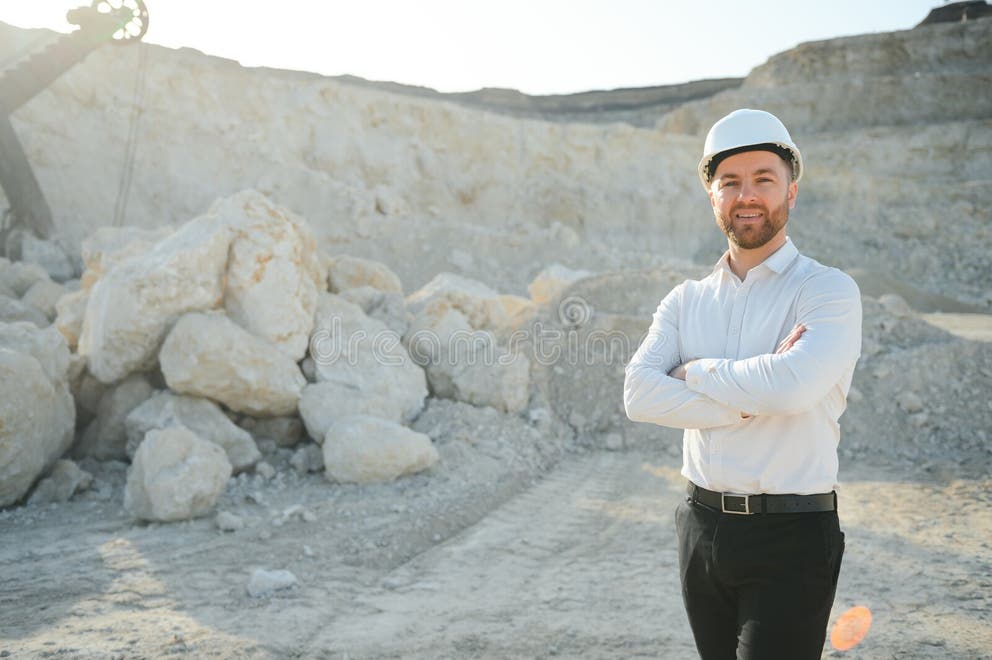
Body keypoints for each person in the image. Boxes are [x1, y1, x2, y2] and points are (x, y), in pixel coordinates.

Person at [623, 108, 862, 659]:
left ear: (791, 193)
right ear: (713, 197)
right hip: (700, 528)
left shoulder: (827, 291)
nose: (746, 195)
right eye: (730, 182)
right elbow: (638, 394)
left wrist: (695, 373)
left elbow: (793, 387)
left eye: (763, 179)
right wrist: (749, 403)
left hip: (792, 536)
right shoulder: (684, 301)